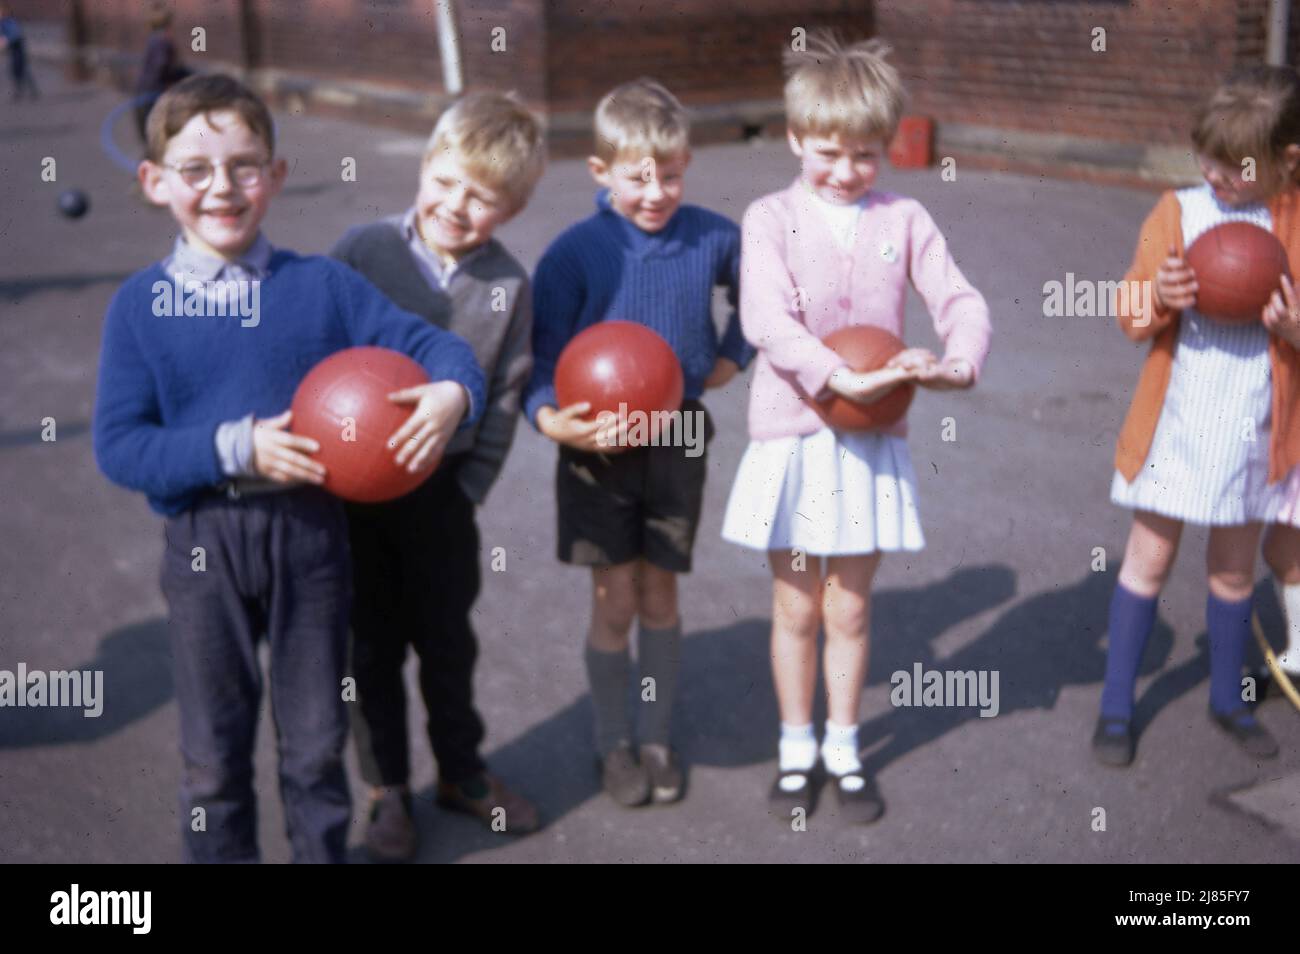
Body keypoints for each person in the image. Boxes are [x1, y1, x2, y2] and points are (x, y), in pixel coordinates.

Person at [92, 74, 486, 862]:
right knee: (213, 756)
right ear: (154, 181)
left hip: (312, 539)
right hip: (207, 544)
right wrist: (233, 445)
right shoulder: (140, 307)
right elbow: (120, 445)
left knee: (314, 748)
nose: (222, 188)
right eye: (195, 169)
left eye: (244, 165)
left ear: (274, 175)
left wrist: (452, 392)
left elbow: (438, 348)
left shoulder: (323, 286)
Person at [720, 32, 991, 823]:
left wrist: (958, 362)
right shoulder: (768, 216)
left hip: (870, 442)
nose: (846, 171)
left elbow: (961, 301)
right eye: (829, 151)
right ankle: (796, 750)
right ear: (797, 138)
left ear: (886, 149)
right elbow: (765, 318)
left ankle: (845, 749)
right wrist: (838, 377)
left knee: (850, 608)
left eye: (865, 154)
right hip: (794, 440)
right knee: (797, 607)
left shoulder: (904, 217)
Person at [522, 78, 754, 807]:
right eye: (637, 177)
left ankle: (654, 736)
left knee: (660, 589)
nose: (657, 192)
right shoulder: (575, 254)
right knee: (614, 595)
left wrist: (733, 354)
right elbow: (540, 357)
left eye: (673, 173)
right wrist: (549, 418)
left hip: (679, 431)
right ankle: (612, 743)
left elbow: (768, 291)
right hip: (597, 447)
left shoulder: (713, 234)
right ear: (601, 173)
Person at [331, 92, 546, 860]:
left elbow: (508, 393)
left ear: (511, 207)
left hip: (441, 497)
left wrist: (468, 489)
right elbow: (317, 358)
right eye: (448, 183)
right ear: (425, 169)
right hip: (352, 496)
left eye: (483, 197)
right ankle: (386, 790)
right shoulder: (362, 250)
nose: (458, 206)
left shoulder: (508, 286)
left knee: (448, 645)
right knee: (368, 650)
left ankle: (462, 773)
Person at [1093, 65, 1300, 767]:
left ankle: (1229, 700)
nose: (1215, 174)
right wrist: (1161, 293)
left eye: (1236, 166)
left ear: (1286, 162)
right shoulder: (1177, 211)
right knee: (1147, 560)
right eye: (1204, 156)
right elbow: (1126, 309)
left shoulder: (1293, 220)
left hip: (1253, 426)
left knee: (1234, 572)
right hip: (1176, 422)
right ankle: (1116, 707)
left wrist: (1295, 330)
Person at [135, 3, 190, 144]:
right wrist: (184, 75)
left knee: (150, 138)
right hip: (153, 96)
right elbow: (161, 68)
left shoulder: (153, 39)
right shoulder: (163, 42)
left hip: (143, 92)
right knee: (157, 138)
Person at [0, 3, 39, 101]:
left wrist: (6, 41)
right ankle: (19, 90)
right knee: (15, 69)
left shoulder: (10, 21)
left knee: (22, 69)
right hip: (13, 47)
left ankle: (32, 90)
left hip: (18, 46)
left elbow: (15, 34)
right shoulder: (3, 22)